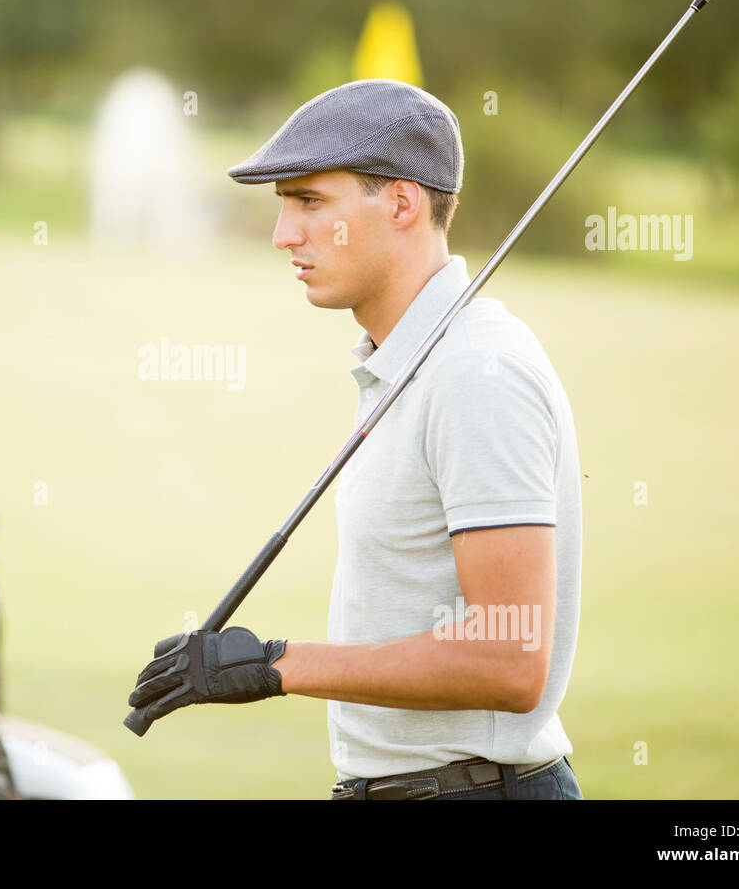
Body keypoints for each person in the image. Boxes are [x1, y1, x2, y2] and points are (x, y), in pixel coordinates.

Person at [126, 79, 584, 800]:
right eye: (284, 206)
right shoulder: (403, 360)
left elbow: (509, 660)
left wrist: (280, 664)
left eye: (309, 202)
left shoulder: (476, 372)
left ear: (402, 203)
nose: (283, 234)